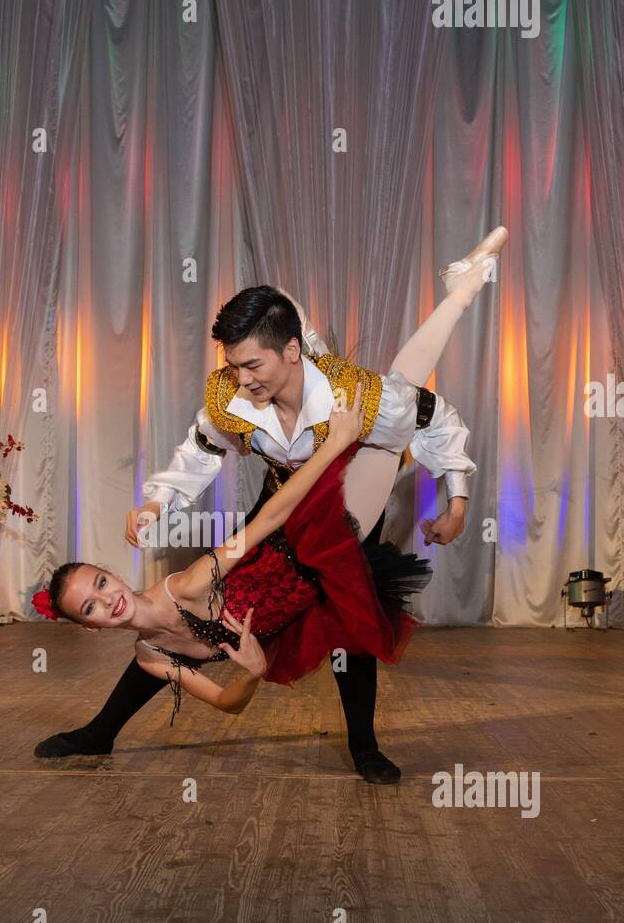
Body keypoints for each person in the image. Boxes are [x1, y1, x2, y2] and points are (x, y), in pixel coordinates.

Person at [34, 227, 508, 780]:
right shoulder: (231, 394)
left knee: (351, 619)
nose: (241, 379)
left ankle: (364, 747)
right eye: (233, 365)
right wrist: (157, 502)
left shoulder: (355, 397)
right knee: (165, 628)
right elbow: (202, 449)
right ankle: (100, 734)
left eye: (252, 365)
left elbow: (434, 416)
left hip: (355, 476)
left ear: (291, 351)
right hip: (284, 493)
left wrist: (457, 500)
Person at [33, 385, 433, 730]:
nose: (108, 600)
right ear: (90, 627)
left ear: (110, 573)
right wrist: (253, 674)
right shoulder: (149, 655)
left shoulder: (192, 582)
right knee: (351, 632)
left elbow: (272, 516)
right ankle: (98, 735)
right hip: (305, 604)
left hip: (313, 541)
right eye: (91, 607)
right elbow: (228, 702)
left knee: (392, 424)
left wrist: (333, 446)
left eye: (101, 584)